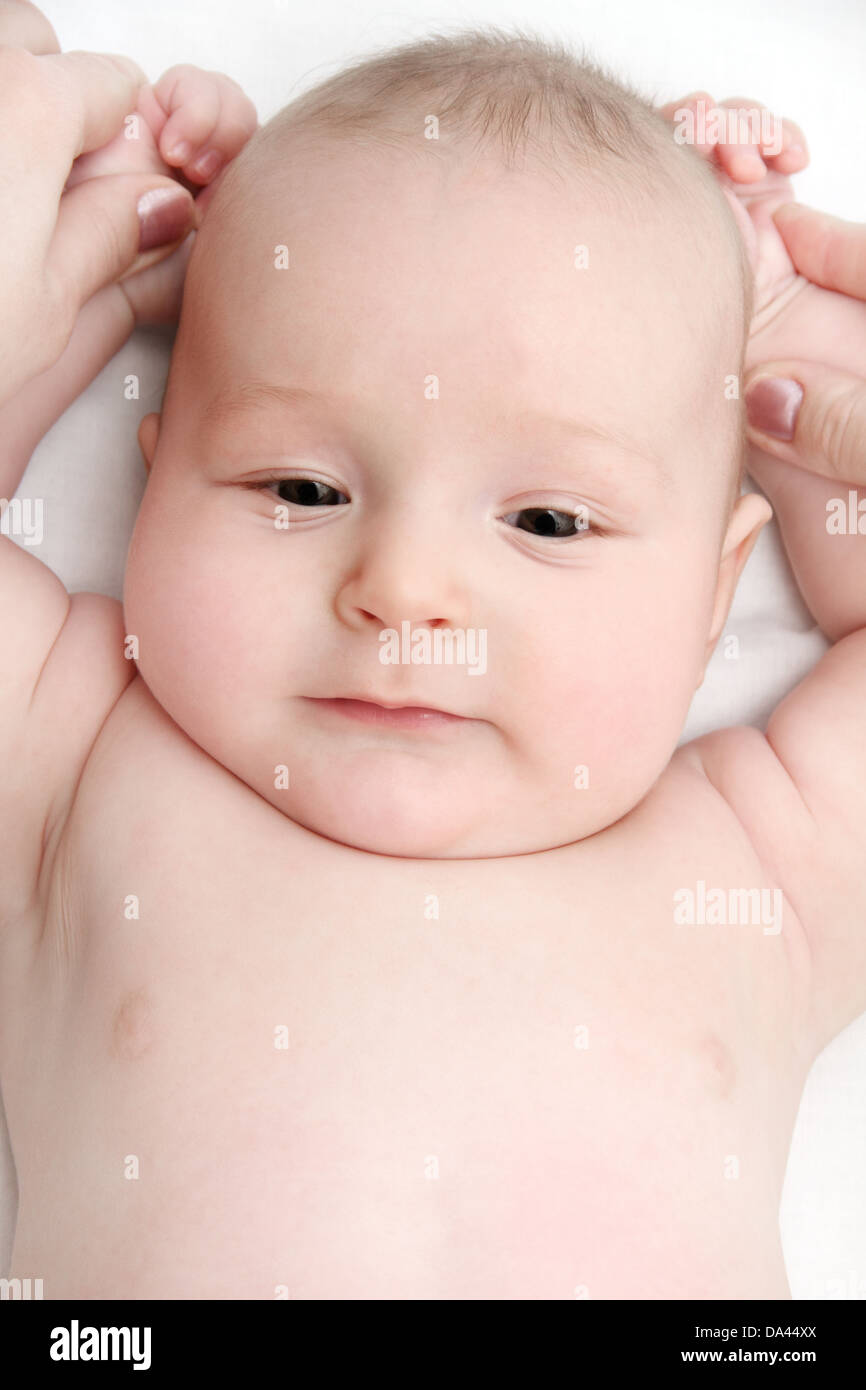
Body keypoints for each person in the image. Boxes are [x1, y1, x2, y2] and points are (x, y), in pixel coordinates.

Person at [2, 4, 865, 1299]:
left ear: (713, 595)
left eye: (547, 519)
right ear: (156, 472)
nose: (402, 591)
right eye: (296, 488)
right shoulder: (69, 770)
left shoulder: (766, 866)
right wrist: (95, 259)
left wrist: (787, 329)